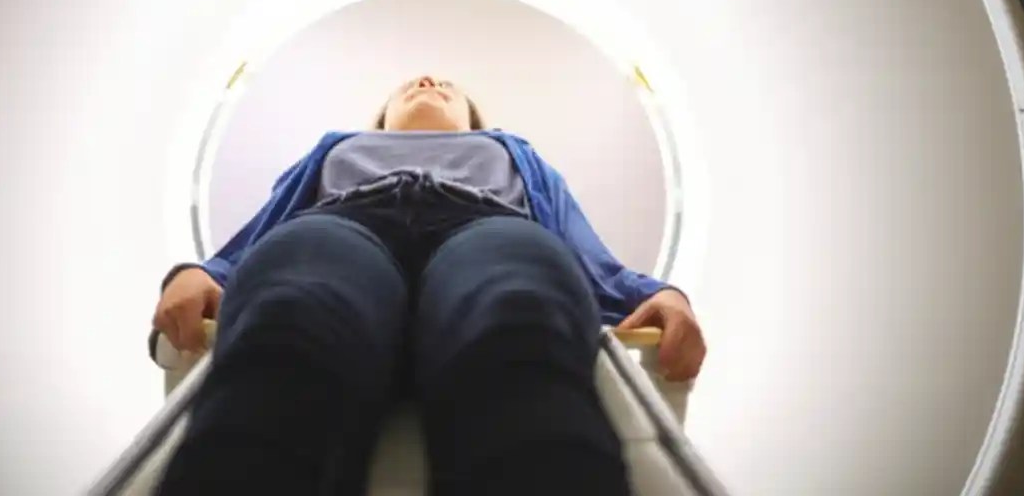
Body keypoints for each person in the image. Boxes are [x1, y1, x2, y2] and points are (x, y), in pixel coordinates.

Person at [152, 75, 707, 496]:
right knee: (294, 308)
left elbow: (582, 248)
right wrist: (197, 273)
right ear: (383, 117)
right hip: (344, 223)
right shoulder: (333, 147)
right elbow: (266, 229)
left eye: (446, 85)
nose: (428, 82)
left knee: (517, 307)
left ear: (473, 118)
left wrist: (660, 294)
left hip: (486, 224)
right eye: (411, 83)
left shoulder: (515, 150)